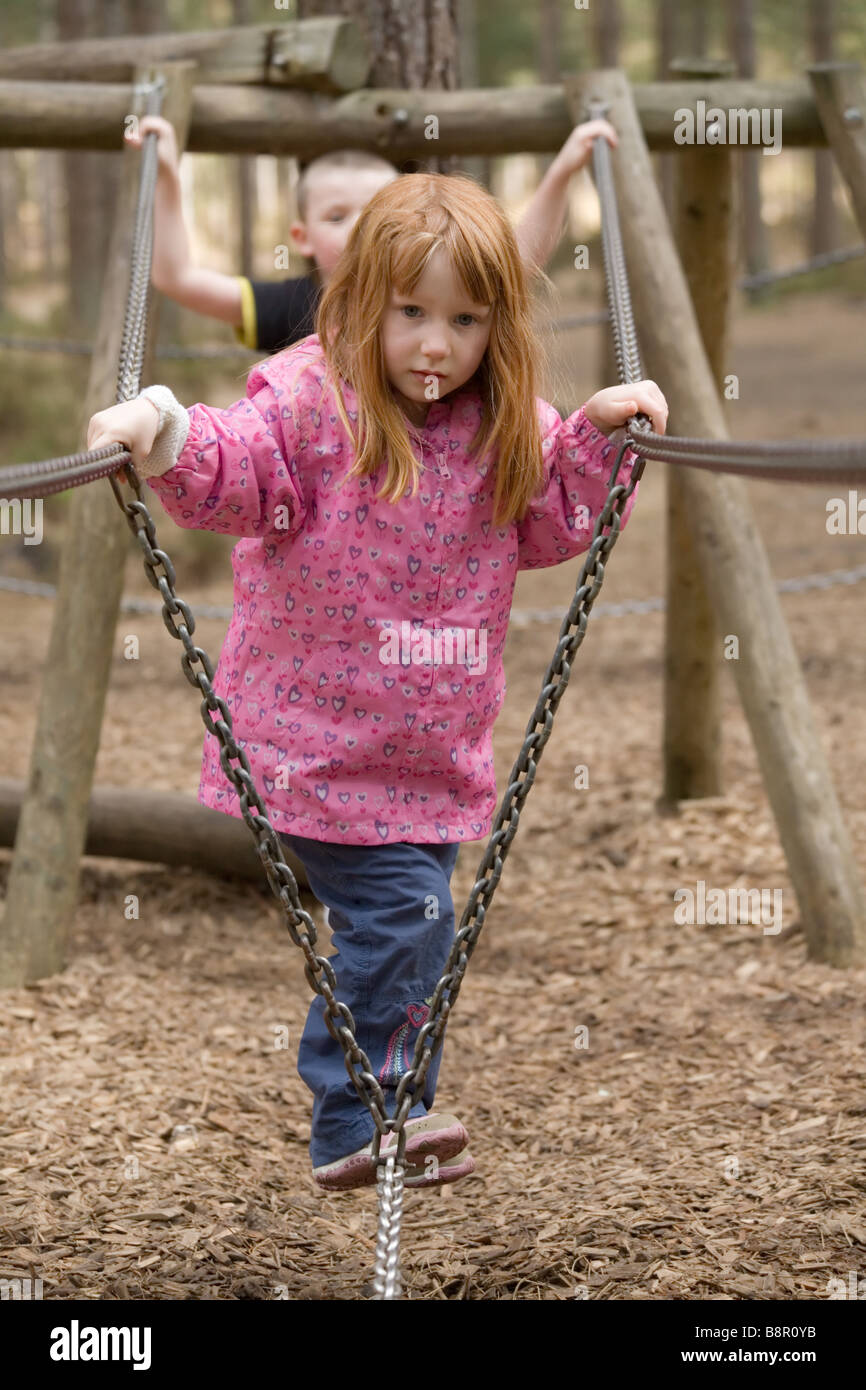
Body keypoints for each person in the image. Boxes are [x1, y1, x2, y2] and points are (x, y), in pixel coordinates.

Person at [87, 171, 668, 1192]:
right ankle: (349, 1120)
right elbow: (237, 465)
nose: (434, 345)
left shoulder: (503, 425)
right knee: (409, 916)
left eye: (463, 318)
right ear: (361, 302)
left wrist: (597, 435)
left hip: (430, 759)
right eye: (410, 313)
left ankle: (397, 1113)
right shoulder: (311, 402)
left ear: (498, 324)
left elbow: (548, 521)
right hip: (313, 748)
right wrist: (165, 428)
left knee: (418, 931)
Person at [125, 116, 620, 354]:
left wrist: (562, 172)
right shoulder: (294, 305)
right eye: (339, 217)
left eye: (379, 212)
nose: (363, 229)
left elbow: (516, 258)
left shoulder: (437, 283)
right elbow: (177, 276)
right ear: (301, 236)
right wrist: (168, 176)